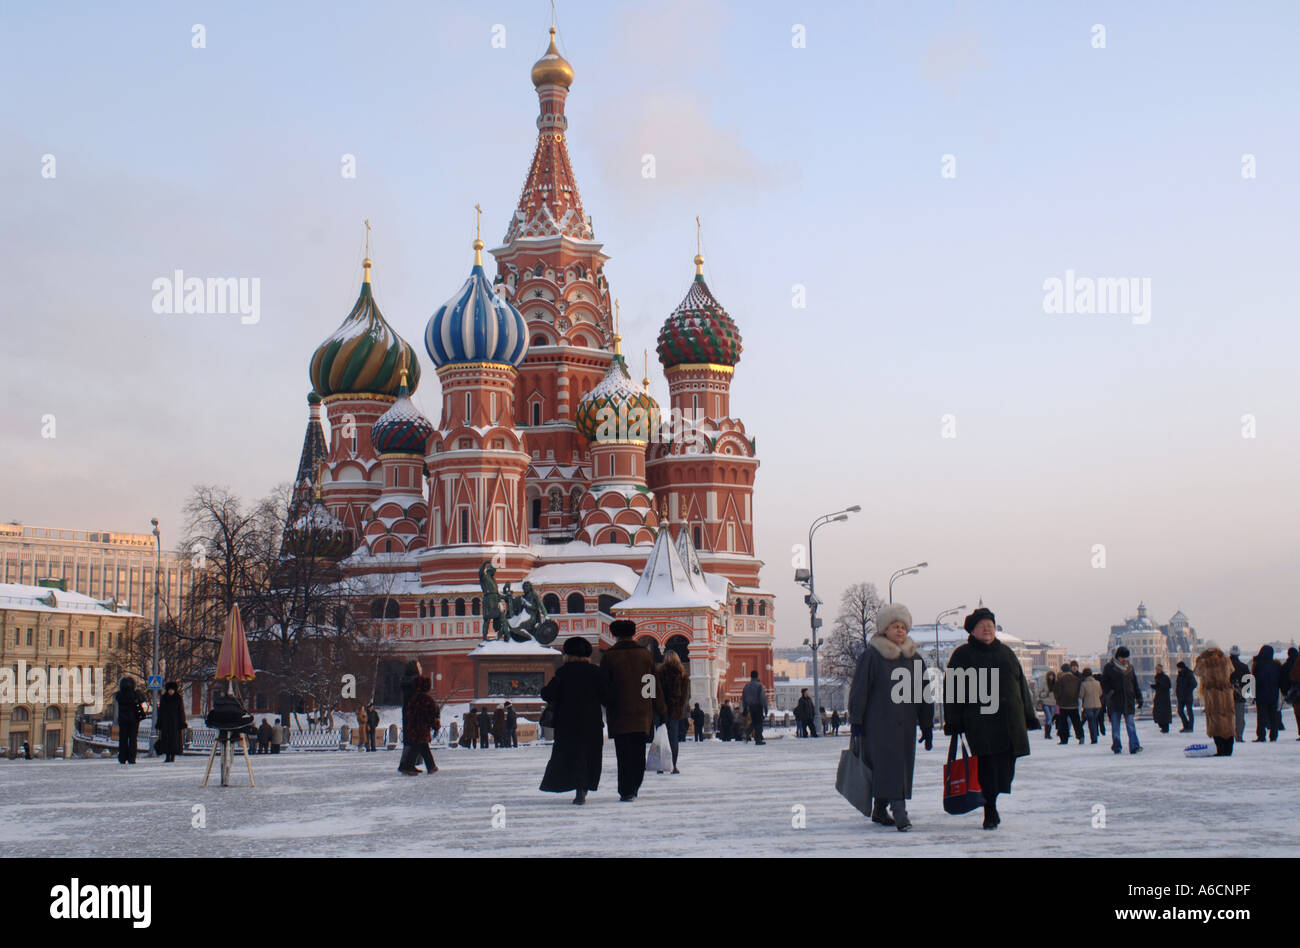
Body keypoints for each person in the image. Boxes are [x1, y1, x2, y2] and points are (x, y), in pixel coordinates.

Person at [943, 607, 1039, 830]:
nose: (987, 629)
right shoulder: (962, 655)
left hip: (1009, 721)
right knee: (987, 767)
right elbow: (953, 691)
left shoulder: (1006, 653)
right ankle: (990, 809)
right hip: (980, 722)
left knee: (1006, 766)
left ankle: (992, 799)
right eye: (982, 626)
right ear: (973, 631)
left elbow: (1021, 686)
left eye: (990, 625)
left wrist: (1028, 714)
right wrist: (954, 720)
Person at [848, 603, 933, 832]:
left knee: (897, 768)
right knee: (891, 767)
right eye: (895, 626)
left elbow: (924, 694)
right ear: (884, 629)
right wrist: (857, 721)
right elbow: (860, 690)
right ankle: (900, 814)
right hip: (879, 725)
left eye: (903, 627)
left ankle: (879, 809)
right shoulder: (872, 657)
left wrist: (927, 724)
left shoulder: (915, 660)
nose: (900, 631)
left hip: (906, 725)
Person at [539, 636, 609, 804]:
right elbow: (607, 696)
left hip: (567, 723)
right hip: (591, 722)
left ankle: (575, 785)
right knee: (589, 756)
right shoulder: (595, 672)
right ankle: (583, 788)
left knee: (570, 756)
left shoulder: (563, 673)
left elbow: (547, 694)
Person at [601, 619, 655, 801]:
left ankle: (626, 790)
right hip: (641, 713)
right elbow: (650, 683)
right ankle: (635, 786)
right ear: (633, 634)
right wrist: (652, 705)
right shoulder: (645, 655)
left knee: (623, 754)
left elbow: (605, 687)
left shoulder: (609, 657)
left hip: (619, 714)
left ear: (615, 635)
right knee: (639, 753)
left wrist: (609, 702)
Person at [1101, 646, 1143, 754]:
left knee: (1130, 724)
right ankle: (1116, 745)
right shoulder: (1109, 668)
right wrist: (1110, 693)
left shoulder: (1130, 668)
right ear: (1118, 657)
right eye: (1123, 658)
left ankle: (1134, 746)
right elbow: (1104, 683)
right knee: (1115, 726)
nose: (1125, 660)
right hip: (1115, 701)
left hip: (1128, 700)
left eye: (1126, 658)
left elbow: (1134, 683)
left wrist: (1139, 697)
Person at [654, 650, 690, 773]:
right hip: (675, 711)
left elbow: (657, 693)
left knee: (661, 738)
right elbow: (685, 696)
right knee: (673, 739)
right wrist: (680, 708)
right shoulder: (682, 674)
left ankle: (660, 766)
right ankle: (673, 765)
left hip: (661, 711)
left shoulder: (659, 673)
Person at [1195, 648, 1235, 756]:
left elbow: (1197, 672)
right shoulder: (1226, 660)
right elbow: (1232, 670)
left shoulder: (1204, 662)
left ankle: (1221, 750)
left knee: (1216, 723)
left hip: (1213, 695)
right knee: (1228, 722)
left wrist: (1199, 658)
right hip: (1226, 693)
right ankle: (1228, 749)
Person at [401, 676, 439, 775]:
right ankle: (408, 767)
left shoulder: (413, 699)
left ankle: (431, 766)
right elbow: (431, 715)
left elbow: (409, 713)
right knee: (418, 747)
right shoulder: (427, 699)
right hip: (423, 728)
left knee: (422, 746)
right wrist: (436, 726)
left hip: (413, 727)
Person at [1251, 645, 1283, 742]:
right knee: (1273, 716)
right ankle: (1273, 735)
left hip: (1260, 694)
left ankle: (1261, 735)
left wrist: (1252, 694)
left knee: (1261, 716)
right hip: (1273, 693)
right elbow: (1280, 679)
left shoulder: (1258, 665)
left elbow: (1253, 680)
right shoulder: (1276, 665)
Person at [397, 660, 422, 774]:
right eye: (419, 666)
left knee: (409, 741)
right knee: (415, 741)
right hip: (414, 715)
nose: (421, 668)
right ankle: (409, 766)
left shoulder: (406, 681)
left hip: (408, 714)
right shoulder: (415, 682)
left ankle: (404, 765)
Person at [115, 677, 145, 765]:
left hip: (123, 720)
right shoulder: (135, 695)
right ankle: (132, 758)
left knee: (123, 739)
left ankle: (122, 758)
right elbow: (142, 699)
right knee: (133, 740)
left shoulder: (120, 695)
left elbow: (117, 699)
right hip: (134, 720)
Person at [1052, 663, 1083, 744]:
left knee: (1063, 723)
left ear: (1062, 670)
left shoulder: (1060, 680)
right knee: (1076, 721)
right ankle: (1081, 736)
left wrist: (1058, 699)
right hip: (1074, 704)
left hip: (1063, 705)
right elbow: (1080, 691)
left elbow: (1057, 692)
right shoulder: (1077, 679)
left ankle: (1064, 739)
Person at [156, 681, 186, 763]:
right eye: (169, 690)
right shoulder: (164, 698)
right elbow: (160, 711)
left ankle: (172, 756)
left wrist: (182, 722)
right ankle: (167, 756)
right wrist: (159, 722)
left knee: (174, 740)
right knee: (165, 739)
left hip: (175, 723)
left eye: (172, 690)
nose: (171, 691)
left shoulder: (178, 698)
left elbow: (181, 711)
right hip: (165, 723)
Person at [742, 671, 767, 746]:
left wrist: (745, 707)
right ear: (757, 676)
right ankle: (758, 739)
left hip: (750, 707)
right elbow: (762, 697)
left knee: (754, 722)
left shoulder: (747, 686)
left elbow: (744, 697)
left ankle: (746, 733)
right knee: (759, 723)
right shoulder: (759, 686)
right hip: (758, 706)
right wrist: (765, 708)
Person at [1229, 646, 1249, 742]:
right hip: (1240, 695)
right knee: (1240, 718)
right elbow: (1249, 683)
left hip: (1227, 696)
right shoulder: (1244, 667)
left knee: (1228, 717)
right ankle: (1239, 736)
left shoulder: (1226, 666)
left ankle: (1228, 735)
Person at [1079, 668, 1102, 744]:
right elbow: (1100, 693)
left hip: (1088, 705)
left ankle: (1094, 738)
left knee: (1091, 722)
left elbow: (1081, 695)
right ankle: (1095, 735)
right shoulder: (1097, 683)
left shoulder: (1084, 684)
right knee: (1095, 721)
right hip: (1098, 705)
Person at [1175, 661, 1198, 733]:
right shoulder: (1179, 674)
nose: (1178, 669)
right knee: (1180, 711)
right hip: (1181, 697)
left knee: (1189, 711)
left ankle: (1190, 727)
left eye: (1178, 668)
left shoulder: (1189, 673)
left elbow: (1194, 684)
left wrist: (1188, 691)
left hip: (1187, 696)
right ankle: (1186, 725)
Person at [1151, 665, 1173, 734]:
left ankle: (1165, 727)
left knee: (1164, 713)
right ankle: (1162, 726)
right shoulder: (1157, 677)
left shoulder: (1164, 677)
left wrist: (1157, 686)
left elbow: (1167, 686)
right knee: (1159, 713)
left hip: (1164, 698)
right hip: (1159, 697)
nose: (1157, 671)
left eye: (1158, 669)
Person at [1039, 671, 1058, 741]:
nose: (1051, 677)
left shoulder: (1056, 684)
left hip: (1053, 703)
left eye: (1052, 676)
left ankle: (1048, 733)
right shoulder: (1044, 683)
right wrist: (1046, 693)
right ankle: (1047, 734)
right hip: (1046, 702)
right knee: (1049, 718)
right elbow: (1039, 693)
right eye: (1050, 676)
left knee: (1051, 719)